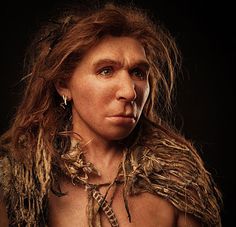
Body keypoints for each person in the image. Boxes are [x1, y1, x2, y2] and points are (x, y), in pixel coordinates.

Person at [0, 1, 222, 226]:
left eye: (138, 72)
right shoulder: (18, 182)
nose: (129, 91)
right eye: (106, 71)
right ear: (63, 85)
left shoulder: (180, 182)